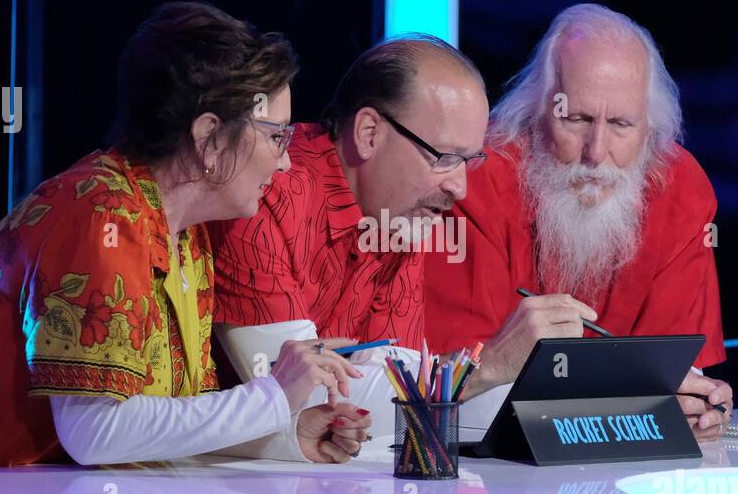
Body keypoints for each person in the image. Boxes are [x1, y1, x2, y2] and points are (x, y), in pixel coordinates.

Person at [0, 2, 371, 482]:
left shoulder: (181, 231)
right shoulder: (101, 213)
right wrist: (274, 397)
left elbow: (153, 423)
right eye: (276, 136)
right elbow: (94, 433)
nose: (285, 163)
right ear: (209, 136)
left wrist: (284, 434)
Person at [208, 34, 596, 433]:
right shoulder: (266, 193)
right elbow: (297, 401)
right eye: (444, 157)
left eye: (468, 161)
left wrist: (573, 403)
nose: (460, 188)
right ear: (369, 133)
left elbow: (394, 381)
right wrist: (490, 365)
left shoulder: (397, 216)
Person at [423, 4, 732, 438]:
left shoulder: (681, 186)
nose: (596, 152)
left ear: (650, 128)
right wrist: (634, 399)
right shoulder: (475, 178)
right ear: (536, 113)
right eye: (577, 119)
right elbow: (463, 383)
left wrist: (695, 403)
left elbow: (674, 370)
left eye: (622, 124)